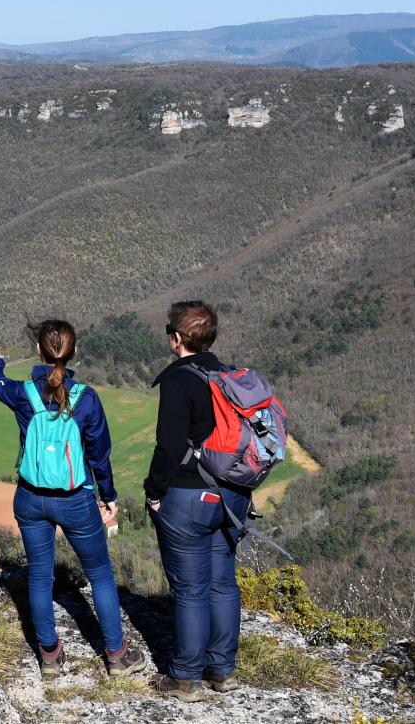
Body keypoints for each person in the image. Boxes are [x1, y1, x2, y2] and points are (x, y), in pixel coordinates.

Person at [0, 319, 148, 681]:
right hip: (75, 500)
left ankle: (50, 656)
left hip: (29, 499)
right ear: (74, 353)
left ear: (39, 350)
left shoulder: (23, 393)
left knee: (40, 576)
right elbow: (99, 455)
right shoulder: (86, 399)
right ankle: (117, 656)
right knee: (101, 575)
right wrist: (109, 497)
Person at [144, 300, 251, 700]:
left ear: (176, 339)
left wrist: (154, 491)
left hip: (191, 497)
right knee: (222, 582)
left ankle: (184, 678)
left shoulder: (179, 381)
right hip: (234, 496)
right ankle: (222, 670)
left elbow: (169, 447)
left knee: (190, 589)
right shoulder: (228, 375)